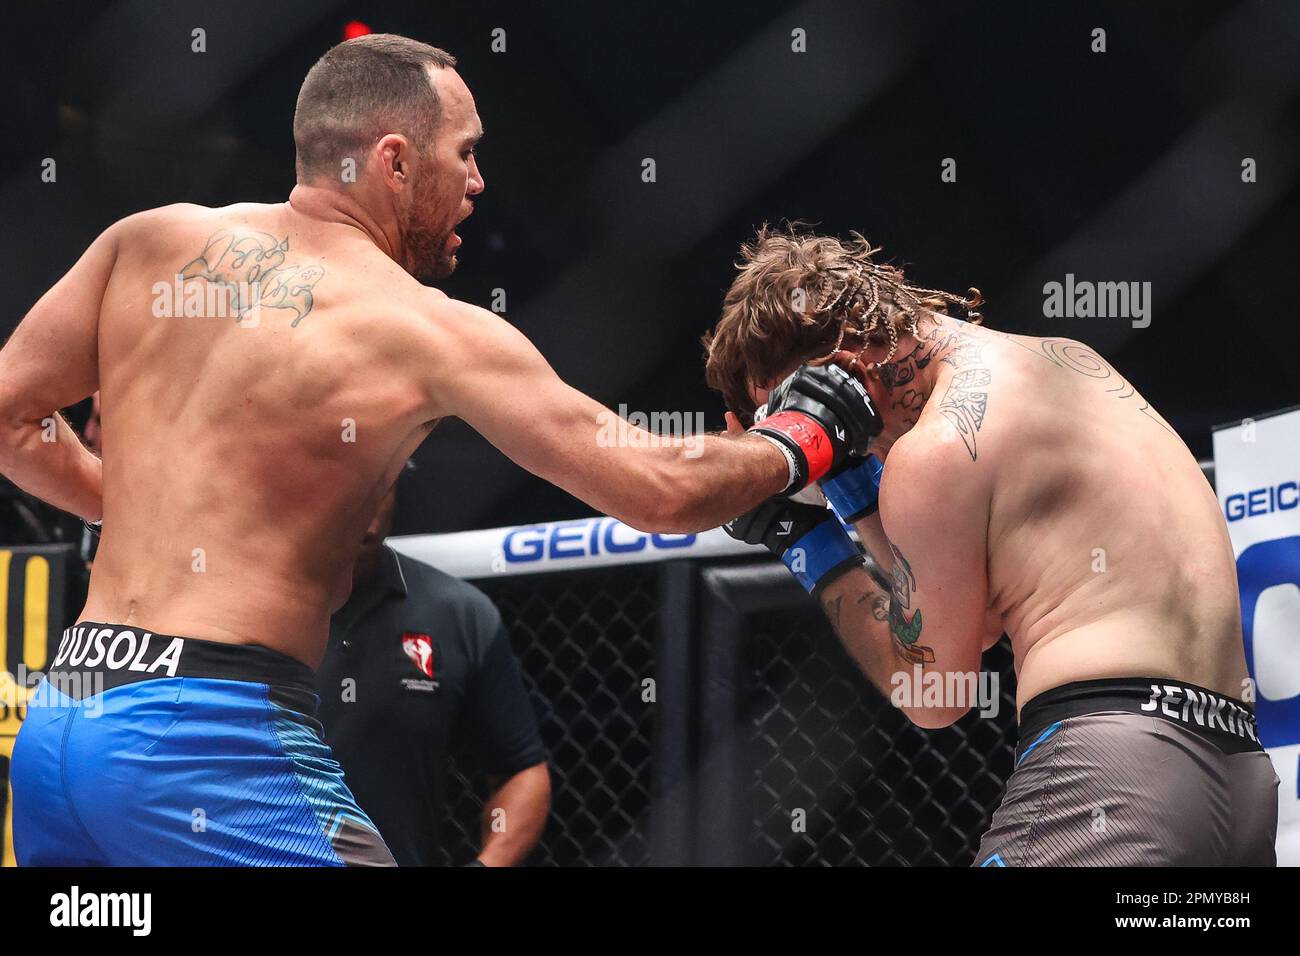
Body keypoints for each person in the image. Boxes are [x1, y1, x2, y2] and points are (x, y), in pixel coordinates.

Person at [0, 35, 875, 865]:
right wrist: (799, 439)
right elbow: (655, 487)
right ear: (393, 161)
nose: (479, 181)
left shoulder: (148, 243)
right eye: (465, 152)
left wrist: (151, 511)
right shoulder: (423, 329)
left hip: (64, 720)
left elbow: (11, 418)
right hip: (207, 737)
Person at [710, 225, 1278, 866]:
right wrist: (852, 483)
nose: (810, 436)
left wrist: (806, 544)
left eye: (795, 410)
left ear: (837, 368)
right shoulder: (1071, 360)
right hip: (1239, 781)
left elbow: (933, 693)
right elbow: (970, 623)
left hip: (1112, 775)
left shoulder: (936, 454)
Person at [318, 475, 550, 866]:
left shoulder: (458, 615)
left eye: (380, 483)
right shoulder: (236, 609)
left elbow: (521, 771)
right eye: (353, 481)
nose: (366, 506)